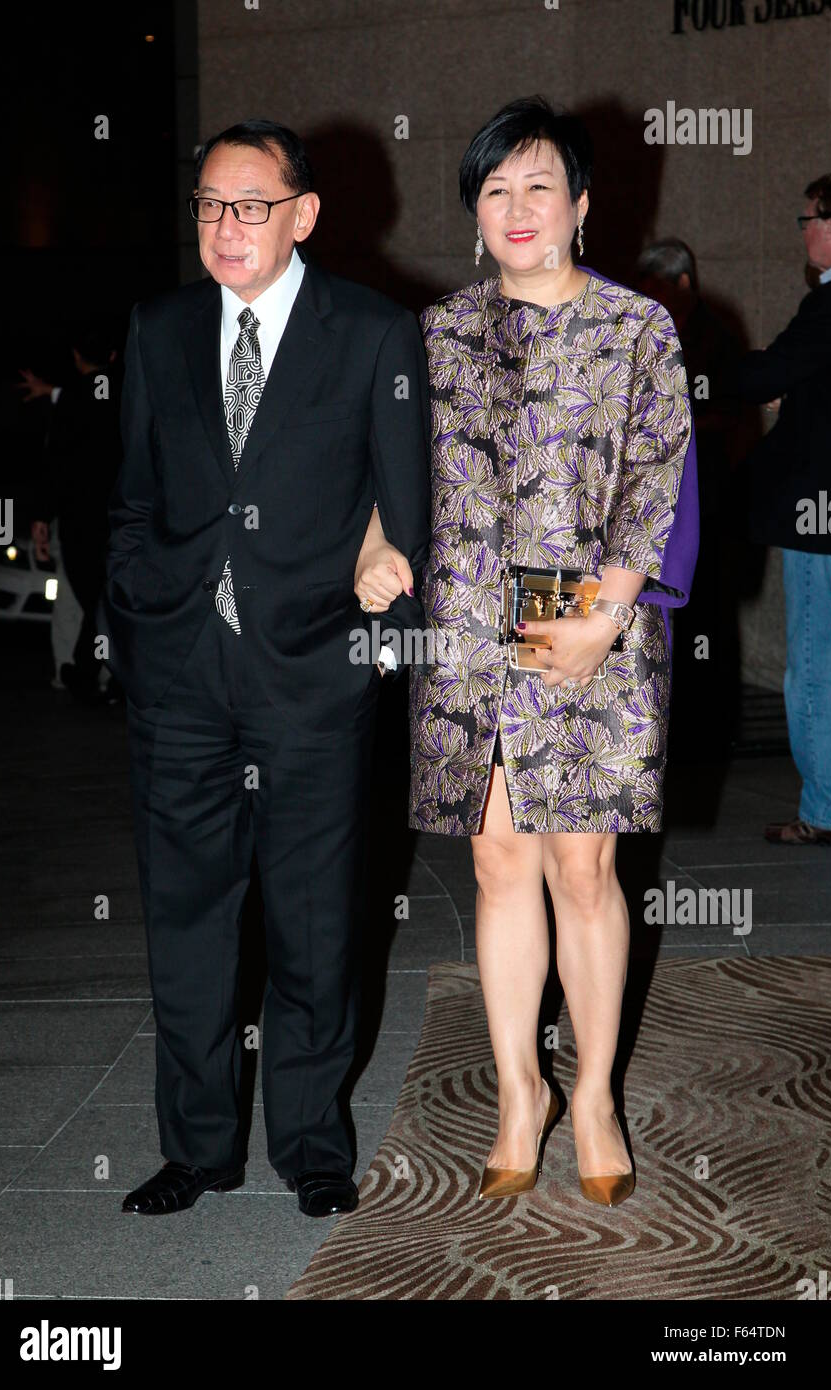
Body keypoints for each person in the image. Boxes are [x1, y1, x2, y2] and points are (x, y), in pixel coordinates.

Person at [356, 97, 698, 1206]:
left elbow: (658, 477)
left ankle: (591, 1089)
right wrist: (373, 540)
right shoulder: (436, 334)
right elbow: (390, 469)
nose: (514, 206)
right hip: (466, 633)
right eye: (492, 188)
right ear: (473, 212)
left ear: (581, 206)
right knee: (498, 861)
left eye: (536, 184)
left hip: (590, 622)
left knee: (583, 867)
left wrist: (607, 614)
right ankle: (518, 1089)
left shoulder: (637, 328)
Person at [101, 119, 431, 1218]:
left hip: (311, 676)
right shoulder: (159, 329)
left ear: (303, 215)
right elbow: (136, 499)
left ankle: (309, 1141)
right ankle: (196, 1146)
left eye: (248, 204)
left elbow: (405, 505)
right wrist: (138, 622)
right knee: (187, 922)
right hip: (182, 679)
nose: (223, 225)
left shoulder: (373, 333)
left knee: (313, 921)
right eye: (206, 204)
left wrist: (381, 599)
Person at [730, 171, 831, 846]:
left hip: (821, 520)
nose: (803, 232)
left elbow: (776, 369)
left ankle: (825, 811)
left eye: (810, 220)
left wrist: (697, 369)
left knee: (816, 665)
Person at [636, 238, 750, 758]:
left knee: (706, 616)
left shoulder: (713, 336)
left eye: (658, 288)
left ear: (683, 284)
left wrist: (678, 425)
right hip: (665, 495)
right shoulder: (653, 329)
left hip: (705, 496)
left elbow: (730, 411)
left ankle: (708, 731)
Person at [29, 322, 124, 704]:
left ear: (76, 357)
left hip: (80, 519)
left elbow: (55, 463)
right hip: (122, 516)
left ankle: (85, 671)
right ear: (114, 357)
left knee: (92, 597)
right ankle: (100, 674)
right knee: (107, 597)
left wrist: (41, 515)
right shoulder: (130, 393)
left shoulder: (75, 399)